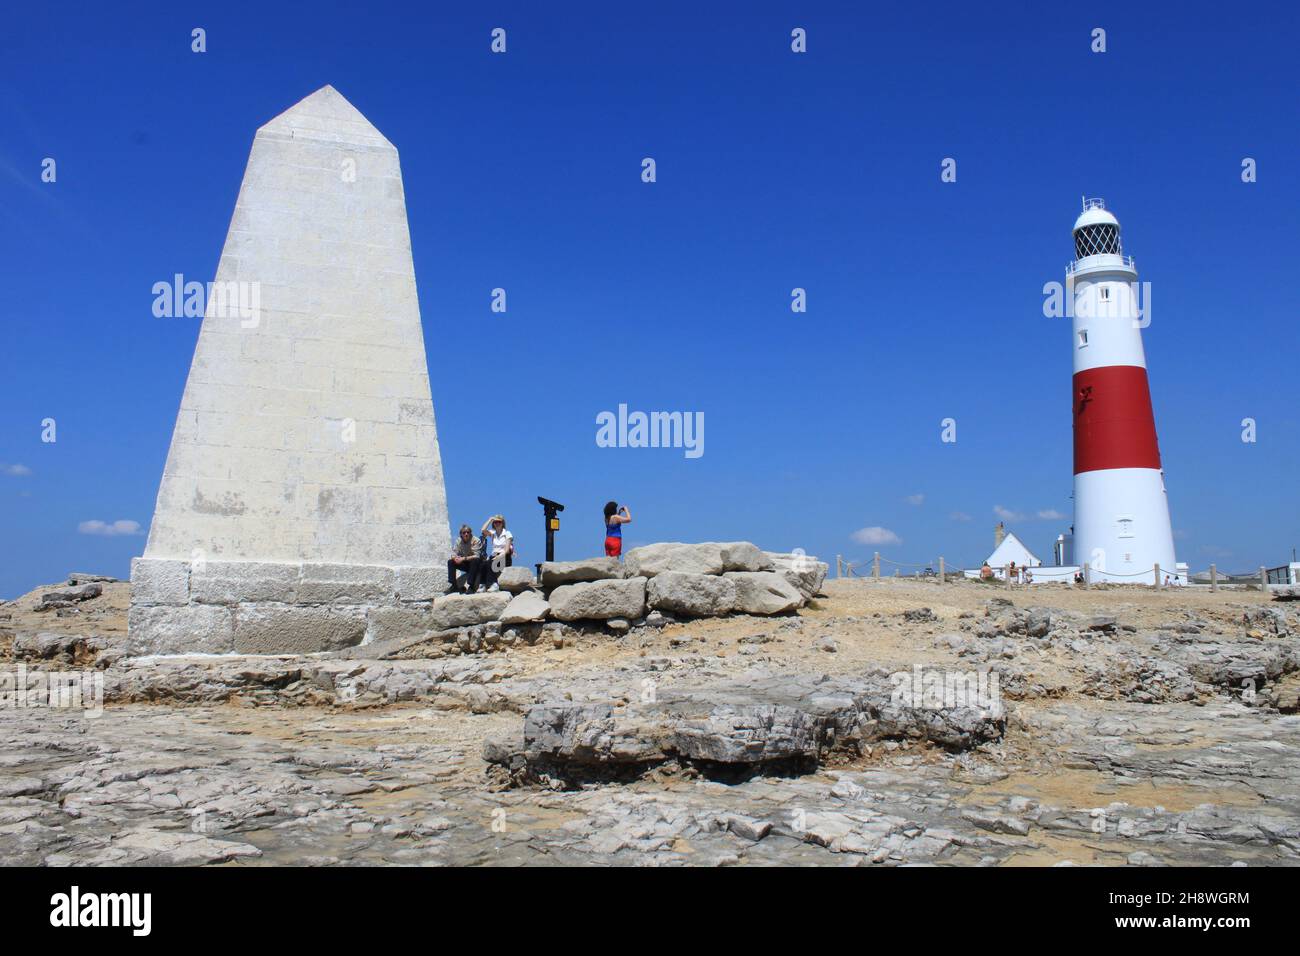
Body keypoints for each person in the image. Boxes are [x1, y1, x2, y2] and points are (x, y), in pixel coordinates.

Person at [474, 514, 514, 592]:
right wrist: (490, 519)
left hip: (505, 556)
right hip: (494, 555)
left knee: (491, 563)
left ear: (502, 523)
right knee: (483, 564)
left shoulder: (507, 533)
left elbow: (506, 550)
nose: (497, 523)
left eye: (499, 522)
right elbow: (483, 530)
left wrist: (498, 557)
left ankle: (494, 584)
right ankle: (483, 585)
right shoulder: (493, 533)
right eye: (495, 522)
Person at [447, 524, 481, 594]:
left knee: (475, 560)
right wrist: (455, 558)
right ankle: (454, 585)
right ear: (461, 534)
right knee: (450, 562)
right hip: (465, 563)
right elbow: (453, 553)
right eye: (464, 532)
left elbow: (477, 556)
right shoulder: (458, 541)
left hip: (475, 564)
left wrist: (463, 558)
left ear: (470, 533)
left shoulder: (476, 540)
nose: (466, 534)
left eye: (468, 532)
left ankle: (471, 586)